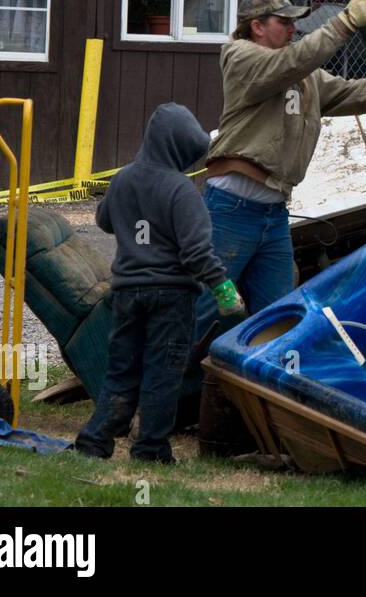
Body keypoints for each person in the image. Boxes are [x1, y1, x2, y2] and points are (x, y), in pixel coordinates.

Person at [203, 0, 366, 314]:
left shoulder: (305, 76)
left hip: (274, 212)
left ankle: (259, 365)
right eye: (284, 21)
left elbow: (353, 93)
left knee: (277, 316)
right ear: (257, 26)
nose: (293, 28)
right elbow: (294, 61)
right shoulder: (239, 56)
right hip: (231, 209)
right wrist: (346, 21)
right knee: (199, 307)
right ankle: (162, 365)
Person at [75, 103, 244, 463]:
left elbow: (104, 220)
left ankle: (95, 441)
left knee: (122, 368)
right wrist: (222, 287)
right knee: (162, 372)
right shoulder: (181, 191)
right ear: (180, 150)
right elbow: (196, 251)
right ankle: (150, 449)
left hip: (127, 292)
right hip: (171, 296)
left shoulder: (122, 178)